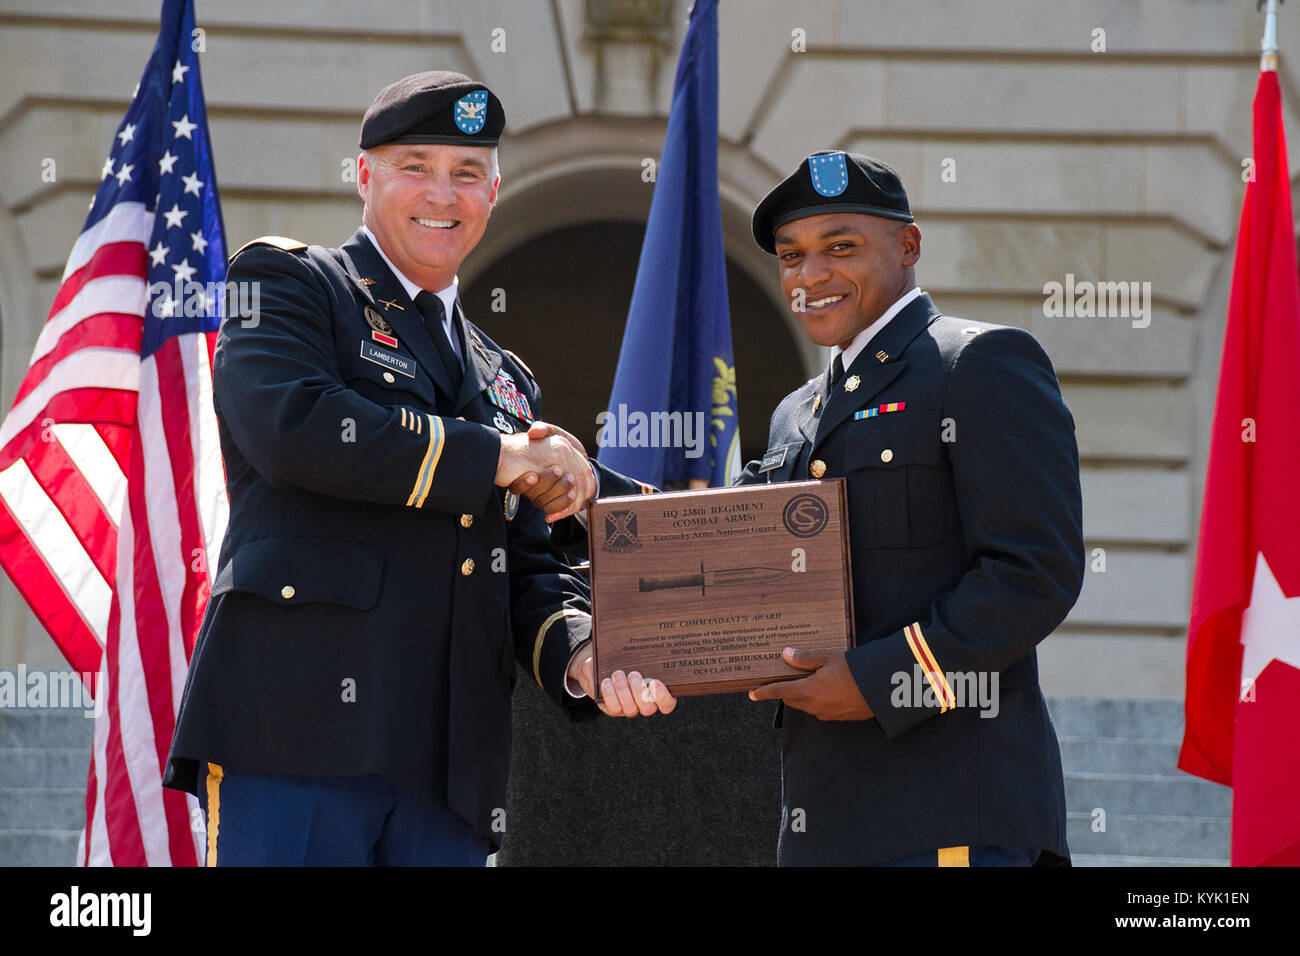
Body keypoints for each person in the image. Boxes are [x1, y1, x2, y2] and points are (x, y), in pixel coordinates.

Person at [163, 71, 673, 867]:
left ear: (494, 193)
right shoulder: (287, 283)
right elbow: (293, 426)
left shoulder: (506, 378)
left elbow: (528, 566)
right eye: (415, 165)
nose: (444, 192)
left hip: (450, 766)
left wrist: (580, 652)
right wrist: (501, 457)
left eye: (468, 173)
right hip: (298, 733)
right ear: (365, 176)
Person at [576, 151, 1084, 866]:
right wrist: (579, 482)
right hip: (823, 821)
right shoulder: (799, 411)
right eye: (792, 256)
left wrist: (882, 682)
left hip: (954, 815)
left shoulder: (979, 364)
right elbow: (708, 535)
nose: (810, 276)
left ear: (908, 246)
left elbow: (1035, 574)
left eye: (840, 248)